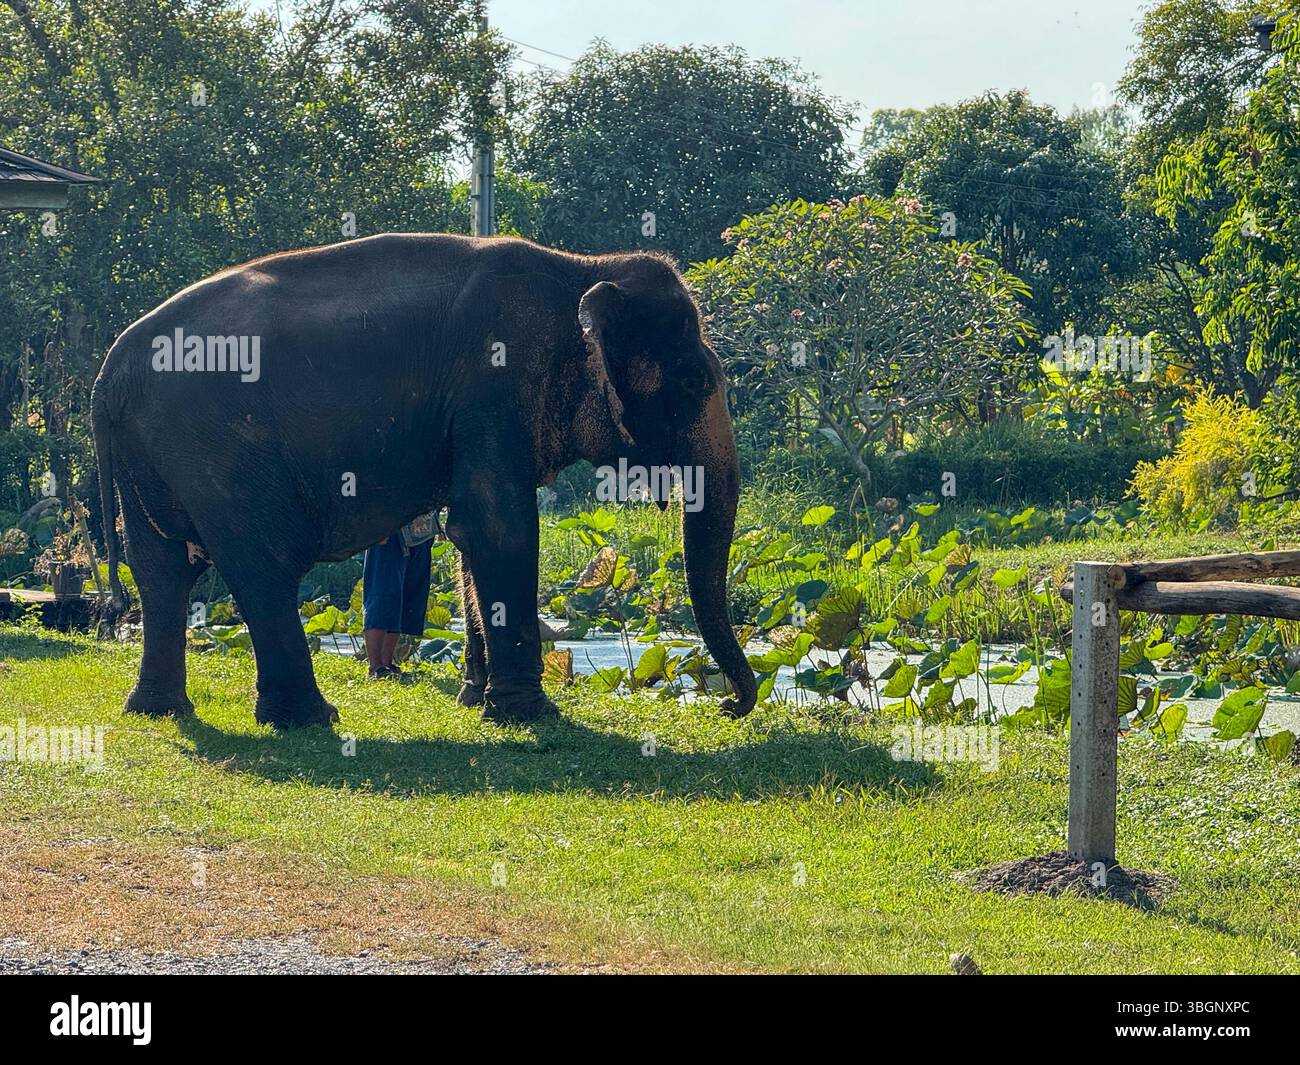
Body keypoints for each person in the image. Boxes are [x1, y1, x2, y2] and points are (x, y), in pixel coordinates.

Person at [362, 513, 436, 679]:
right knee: (382, 592)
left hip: (421, 530)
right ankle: (375, 666)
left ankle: (387, 663)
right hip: (389, 527)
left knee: (404, 597)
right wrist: (378, 527)